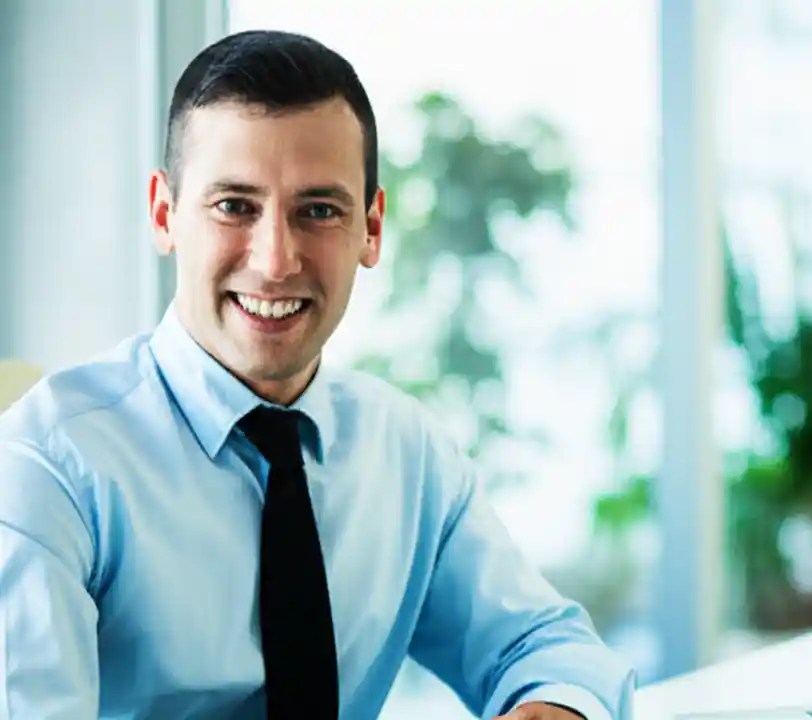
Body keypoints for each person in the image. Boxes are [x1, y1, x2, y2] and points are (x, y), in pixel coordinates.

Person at [0, 30, 634, 720]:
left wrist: (556, 707)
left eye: (319, 211)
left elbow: (548, 647)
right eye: (234, 206)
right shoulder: (49, 466)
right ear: (164, 214)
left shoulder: (407, 456)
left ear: (371, 229)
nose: (275, 260)